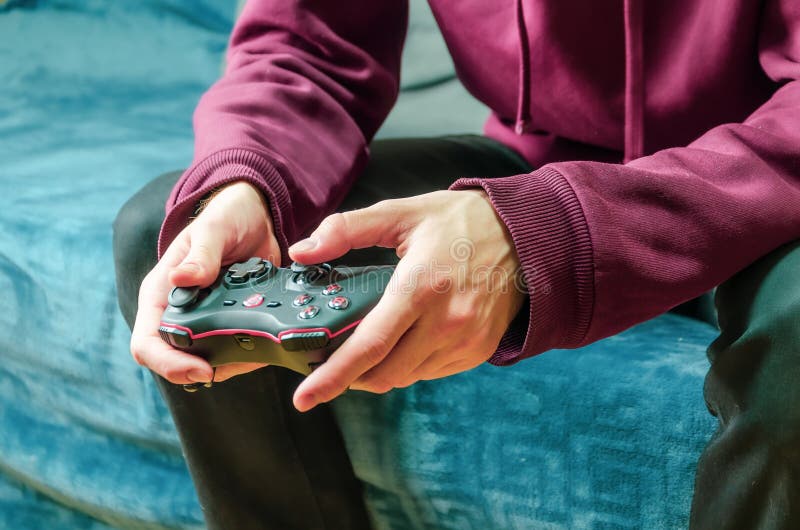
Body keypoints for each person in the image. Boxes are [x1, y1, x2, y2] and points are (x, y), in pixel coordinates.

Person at [113, 1, 800, 528]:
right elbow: (305, 40)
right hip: (547, 162)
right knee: (174, 242)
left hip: (770, 197)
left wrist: (552, 232)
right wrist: (245, 180)